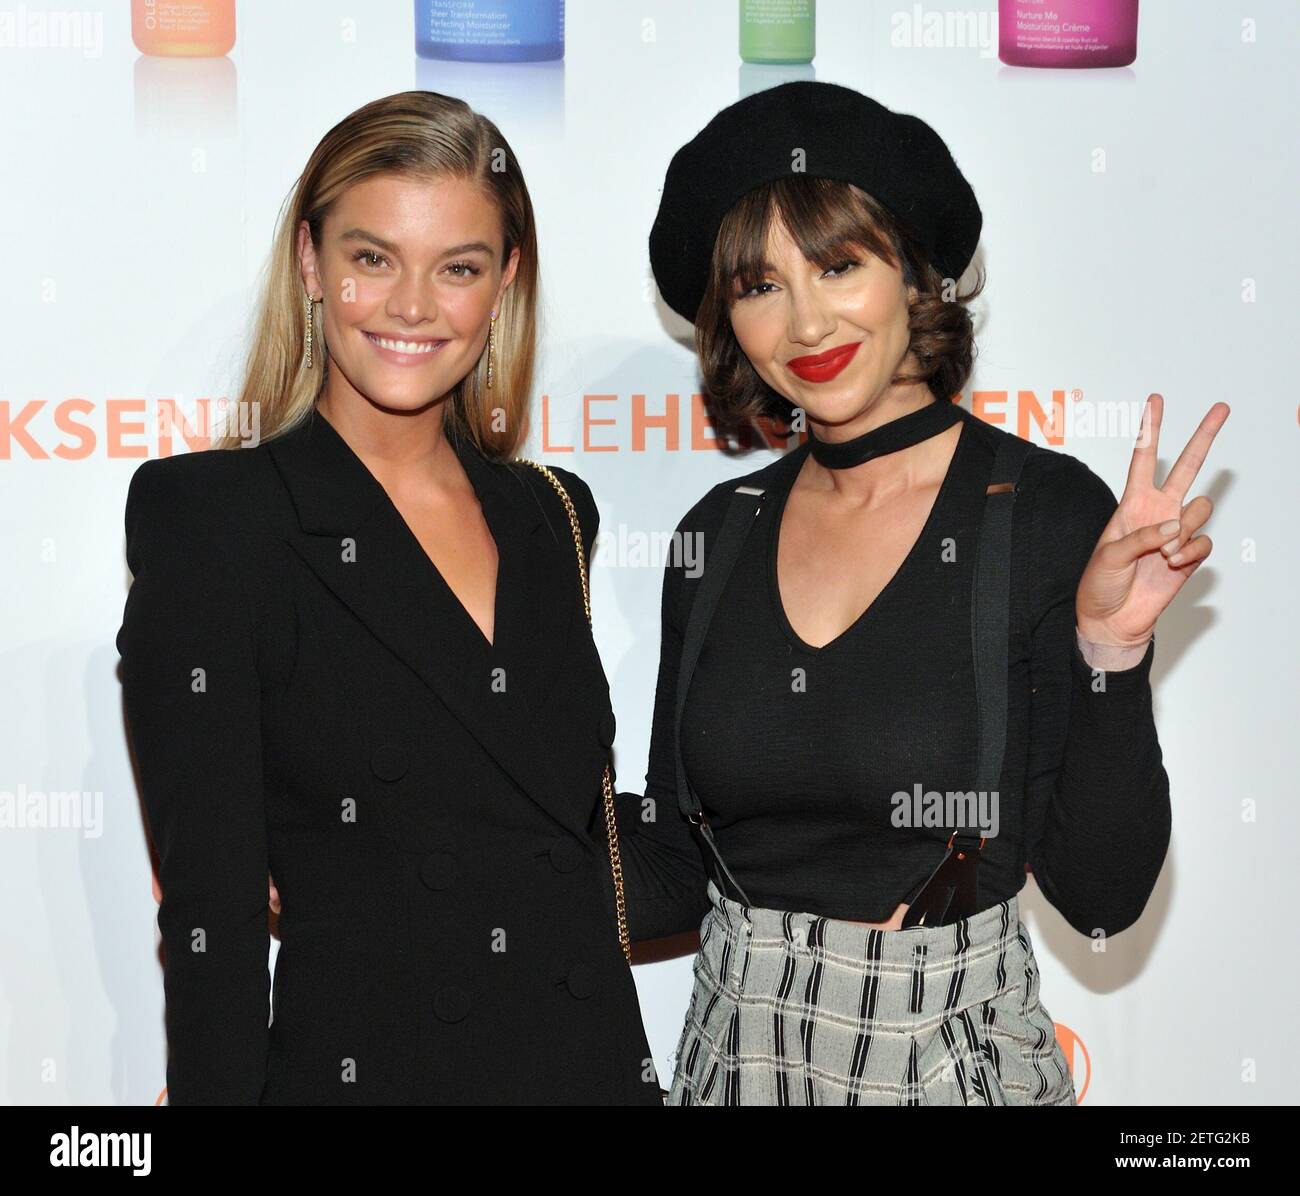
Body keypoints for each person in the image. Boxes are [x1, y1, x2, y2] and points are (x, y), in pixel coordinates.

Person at [612, 81, 1227, 1105]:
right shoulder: (716, 538)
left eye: (839, 264)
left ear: (916, 278)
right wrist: (455, 833)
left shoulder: (1035, 511)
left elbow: (1103, 898)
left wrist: (1109, 654)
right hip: (731, 1063)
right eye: (761, 286)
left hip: (947, 1066)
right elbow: (676, 866)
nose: (806, 319)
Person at [117, 90, 660, 1105]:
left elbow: (567, 843)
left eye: (456, 267)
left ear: (504, 284)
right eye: (373, 258)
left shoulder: (554, 515)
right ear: (312, 266)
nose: (413, 306)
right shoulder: (216, 519)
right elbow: (214, 916)